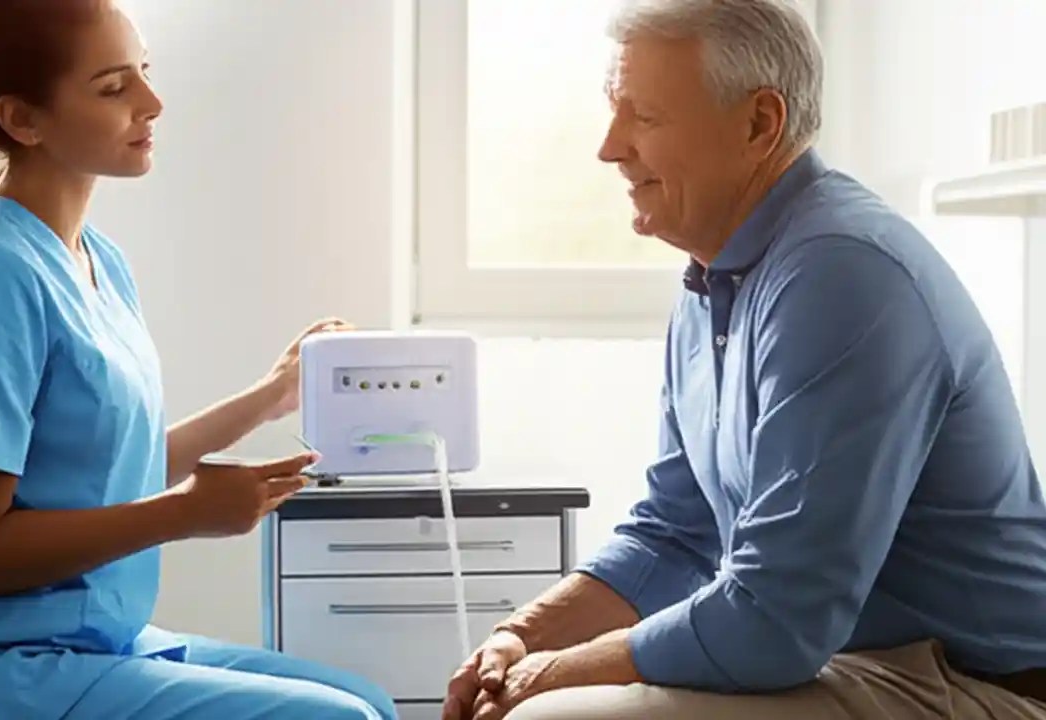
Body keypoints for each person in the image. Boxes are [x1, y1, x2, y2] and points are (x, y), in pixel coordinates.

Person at [442, 1, 1046, 719]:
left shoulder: (841, 273)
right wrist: (518, 640)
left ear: (760, 124)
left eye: (645, 117)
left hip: (975, 685)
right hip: (858, 661)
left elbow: (775, 620)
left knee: (552, 716)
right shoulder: (713, 281)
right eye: (614, 111)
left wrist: (550, 676)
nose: (609, 147)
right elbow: (675, 533)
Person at [0, 2, 397, 719]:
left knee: (364, 701)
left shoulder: (95, 260)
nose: (153, 102)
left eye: (144, 71)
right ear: (24, 120)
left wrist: (271, 395)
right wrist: (184, 515)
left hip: (85, 644)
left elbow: (109, 474)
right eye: (114, 88)